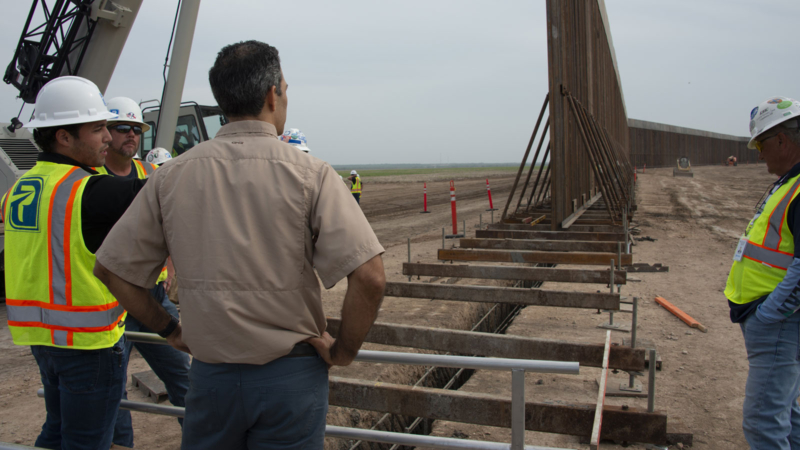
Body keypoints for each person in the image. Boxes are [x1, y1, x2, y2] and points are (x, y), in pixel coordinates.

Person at [92, 40, 386, 450]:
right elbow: (370, 277)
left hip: (211, 379)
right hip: (292, 379)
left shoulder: (170, 176)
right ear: (272, 94)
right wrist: (343, 352)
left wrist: (171, 330)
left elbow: (110, 269)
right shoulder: (312, 174)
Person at [2, 76, 146, 449]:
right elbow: (168, 190)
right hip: (87, 346)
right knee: (86, 441)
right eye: (98, 128)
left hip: (42, 339)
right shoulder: (87, 190)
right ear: (64, 137)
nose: (108, 138)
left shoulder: (21, 187)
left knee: (56, 431)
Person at [97, 98, 190, 447]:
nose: (132, 136)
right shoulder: (88, 181)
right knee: (113, 389)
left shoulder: (152, 175)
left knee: (182, 373)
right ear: (105, 132)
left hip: (152, 294)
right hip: (110, 297)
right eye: (123, 128)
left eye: (137, 130)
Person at [725, 96, 800, 448]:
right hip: (771, 318)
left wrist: (771, 315)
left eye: (761, 144)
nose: (758, 153)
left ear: (782, 140)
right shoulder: (789, 182)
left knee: (762, 424)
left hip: (776, 321)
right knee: (786, 414)